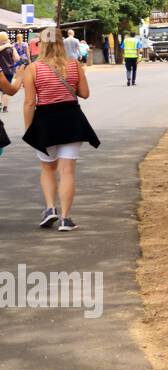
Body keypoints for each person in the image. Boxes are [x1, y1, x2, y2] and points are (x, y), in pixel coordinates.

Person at [21, 26, 99, 231]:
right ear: (60, 43)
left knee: (47, 168)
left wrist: (29, 129)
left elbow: (30, 102)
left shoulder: (33, 69)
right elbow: (85, 93)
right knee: (67, 171)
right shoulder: (74, 65)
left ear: (42, 44)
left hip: (45, 122)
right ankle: (65, 218)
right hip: (71, 120)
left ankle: (50, 208)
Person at [0, 31, 18, 114]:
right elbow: (17, 58)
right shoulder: (11, 47)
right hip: (9, 71)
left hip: (1, 71)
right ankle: (5, 107)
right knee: (6, 90)